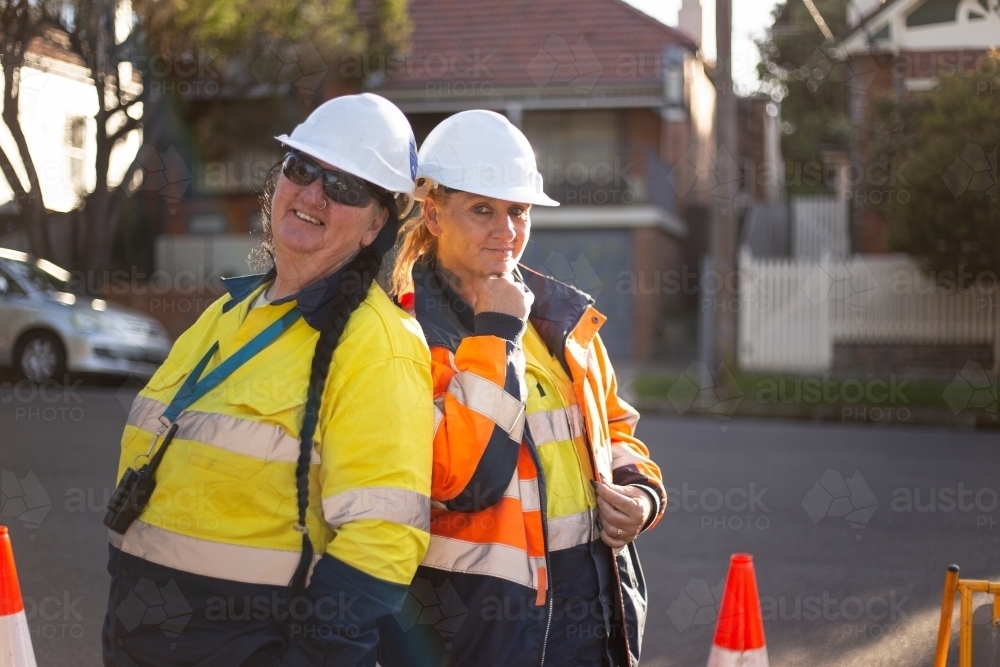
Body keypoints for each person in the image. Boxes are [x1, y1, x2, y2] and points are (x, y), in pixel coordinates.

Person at [102, 93, 434, 667]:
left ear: (376, 225)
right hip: (141, 636)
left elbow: (382, 541)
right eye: (302, 168)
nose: (312, 194)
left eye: (346, 186)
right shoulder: (228, 313)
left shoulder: (379, 344)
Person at [378, 110, 666, 667]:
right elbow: (459, 482)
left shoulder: (562, 319)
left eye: (518, 211)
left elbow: (615, 431)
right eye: (482, 209)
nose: (506, 231)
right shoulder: (402, 332)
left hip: (595, 615)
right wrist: (497, 333)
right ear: (433, 214)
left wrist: (640, 495)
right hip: (483, 631)